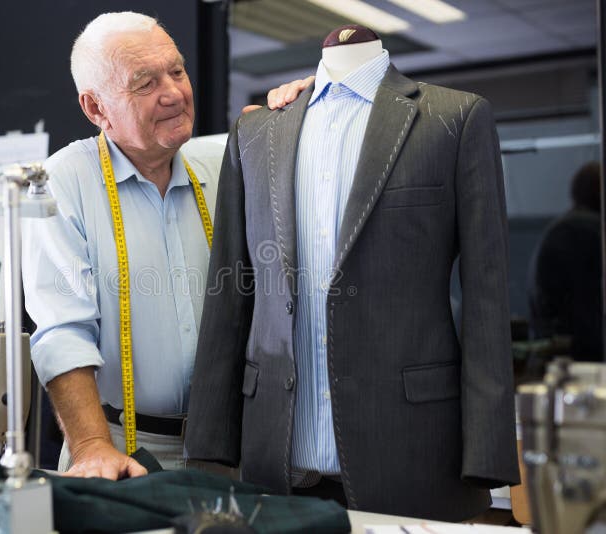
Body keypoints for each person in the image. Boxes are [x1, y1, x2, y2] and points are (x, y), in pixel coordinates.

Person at [185, 25, 520, 521]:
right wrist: (211, 435)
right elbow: (233, 288)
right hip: (276, 458)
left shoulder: (454, 118)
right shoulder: (256, 132)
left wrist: (487, 451)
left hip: (411, 449)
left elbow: (488, 291)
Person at [22, 11, 308, 480]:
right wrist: (92, 446)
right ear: (96, 109)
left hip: (228, 445)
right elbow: (62, 330)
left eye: (176, 71)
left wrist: (300, 117)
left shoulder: (223, 164)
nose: (174, 92)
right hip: (119, 450)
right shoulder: (62, 181)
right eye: (145, 83)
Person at [528, 161, 603, 361]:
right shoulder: (588, 232)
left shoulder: (560, 229)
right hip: (582, 356)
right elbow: (589, 311)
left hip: (555, 349)